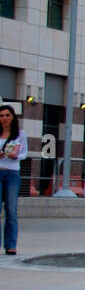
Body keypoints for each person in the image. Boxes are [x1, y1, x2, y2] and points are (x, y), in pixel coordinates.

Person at [0, 104, 28, 255]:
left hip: (12, 174)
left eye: (7, 115)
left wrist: (15, 155)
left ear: (12, 117)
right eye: (1, 116)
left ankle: (11, 245)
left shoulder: (20, 134)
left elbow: (24, 154)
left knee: (11, 210)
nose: (4, 118)